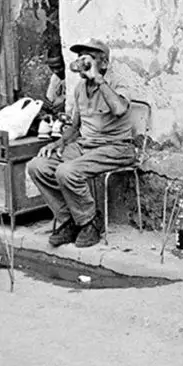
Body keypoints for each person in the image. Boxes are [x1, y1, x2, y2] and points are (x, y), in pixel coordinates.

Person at [26, 38, 135, 248]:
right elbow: (75, 128)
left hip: (116, 147)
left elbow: (120, 109)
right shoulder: (79, 88)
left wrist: (98, 79)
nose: (84, 63)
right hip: (85, 146)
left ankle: (90, 222)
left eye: (91, 58)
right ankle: (70, 220)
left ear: (103, 63)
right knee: (37, 166)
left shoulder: (116, 84)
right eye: (81, 58)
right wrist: (57, 144)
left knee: (67, 171)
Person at [42, 45, 67, 116]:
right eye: (51, 68)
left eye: (58, 67)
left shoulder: (73, 79)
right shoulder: (55, 78)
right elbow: (50, 99)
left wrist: (66, 104)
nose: (55, 71)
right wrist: (46, 104)